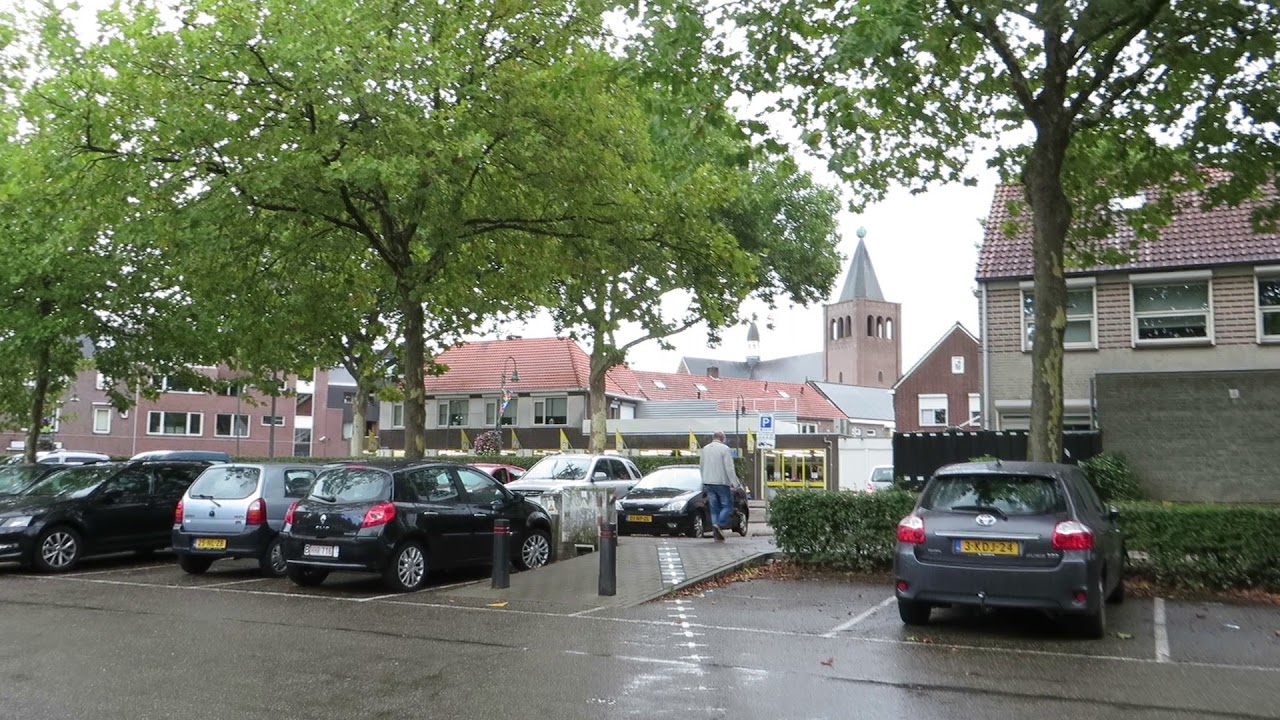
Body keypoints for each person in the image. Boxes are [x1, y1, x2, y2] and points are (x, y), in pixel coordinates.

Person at [698, 431, 740, 542]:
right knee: (727, 506)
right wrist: (734, 483)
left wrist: (704, 480)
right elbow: (729, 468)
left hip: (708, 482)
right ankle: (719, 525)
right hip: (721, 482)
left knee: (714, 508)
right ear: (723, 438)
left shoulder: (705, 449)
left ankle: (715, 527)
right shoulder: (725, 449)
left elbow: (701, 466)